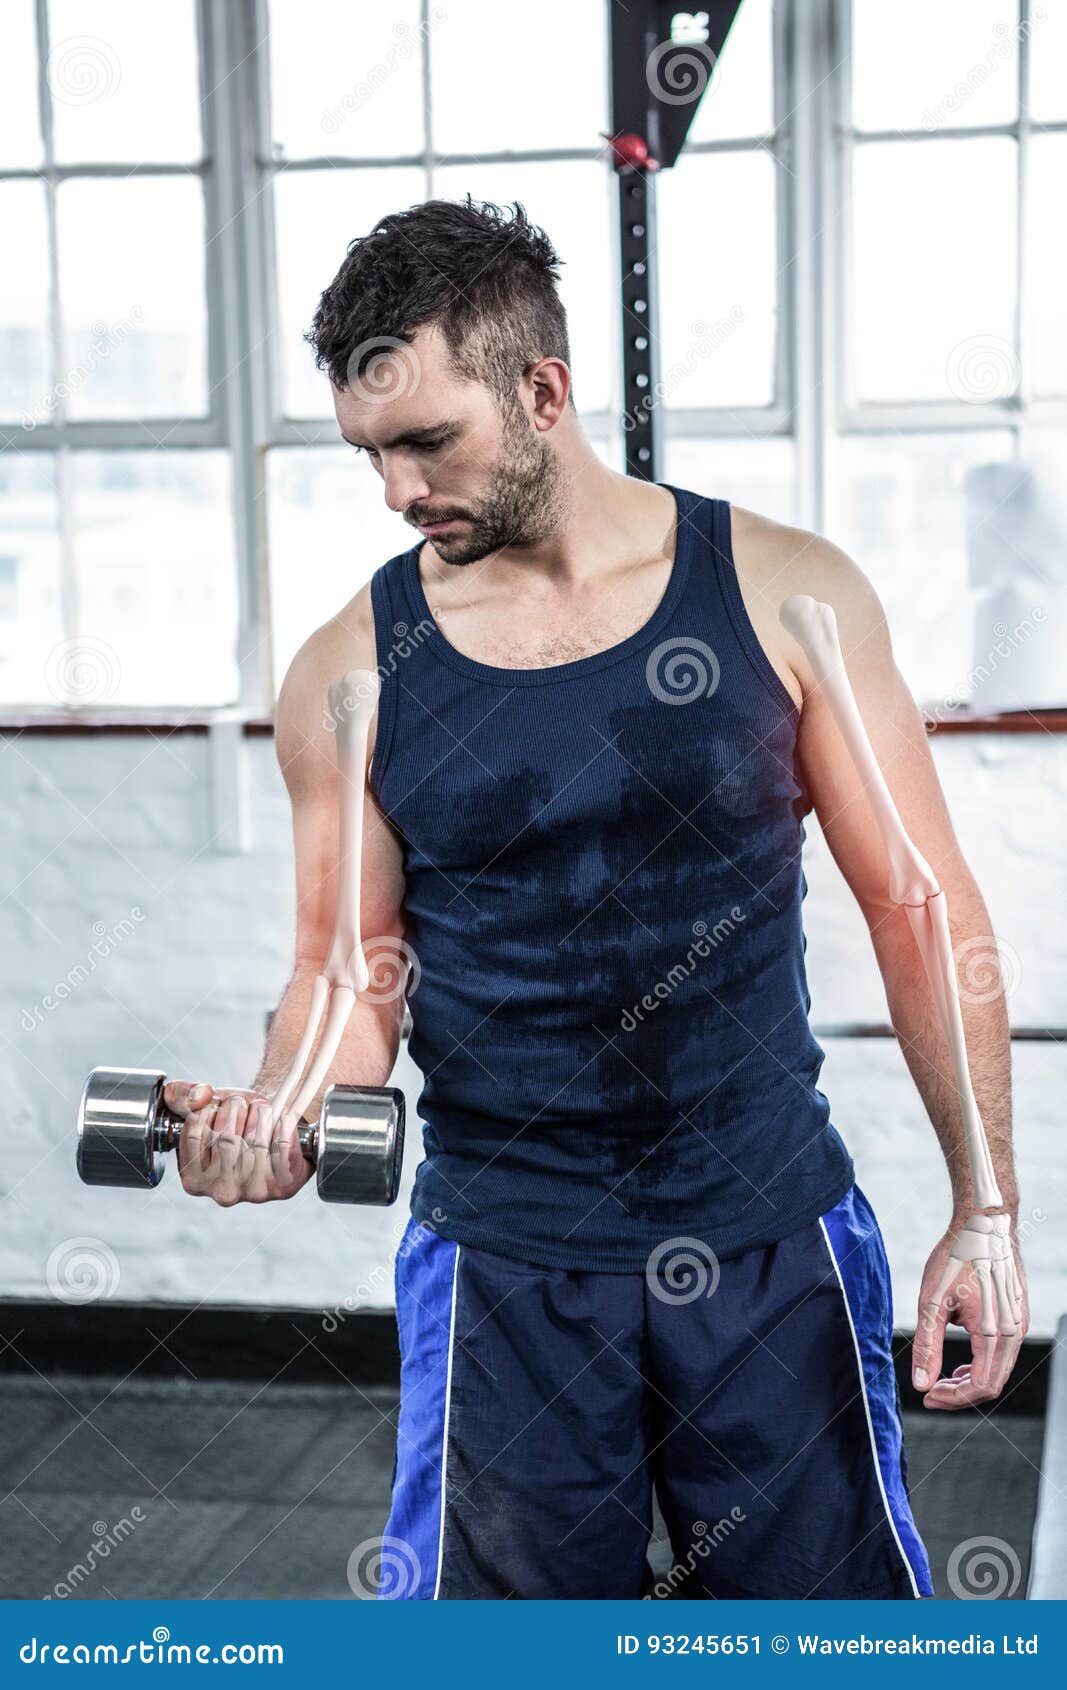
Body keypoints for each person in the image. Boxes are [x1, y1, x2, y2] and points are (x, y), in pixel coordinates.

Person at [167, 196, 1028, 1600]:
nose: (395, 489)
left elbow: (921, 908)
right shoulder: (352, 671)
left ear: (543, 392)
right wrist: (283, 1114)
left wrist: (985, 1208)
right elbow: (347, 973)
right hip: (504, 1262)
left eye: (426, 441)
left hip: (770, 1233)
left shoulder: (788, 595)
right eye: (369, 452)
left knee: (835, 1654)